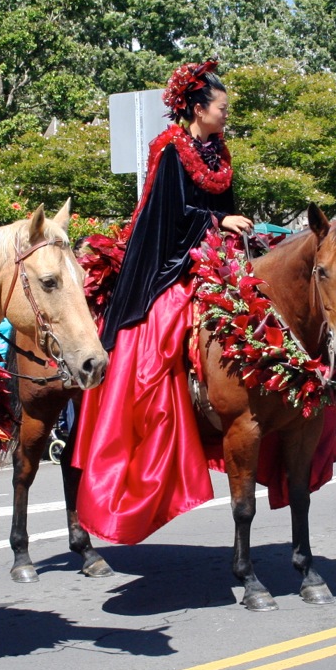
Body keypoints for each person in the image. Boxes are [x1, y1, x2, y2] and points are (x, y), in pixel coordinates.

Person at [71, 60, 252, 545]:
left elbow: (225, 202)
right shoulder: (169, 148)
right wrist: (218, 223)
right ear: (198, 108)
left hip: (218, 255)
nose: (226, 112)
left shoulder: (219, 151)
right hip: (173, 262)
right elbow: (169, 216)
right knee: (165, 324)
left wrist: (235, 225)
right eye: (221, 106)